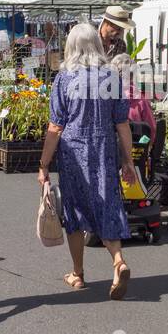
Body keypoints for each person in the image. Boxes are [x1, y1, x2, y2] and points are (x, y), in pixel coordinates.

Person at [38, 24, 137, 299]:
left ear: (72, 46)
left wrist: (44, 164)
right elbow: (122, 124)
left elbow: (56, 126)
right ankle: (118, 261)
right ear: (97, 44)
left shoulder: (65, 78)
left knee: (75, 211)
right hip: (104, 149)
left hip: (73, 152)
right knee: (106, 204)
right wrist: (127, 160)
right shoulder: (111, 77)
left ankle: (78, 274)